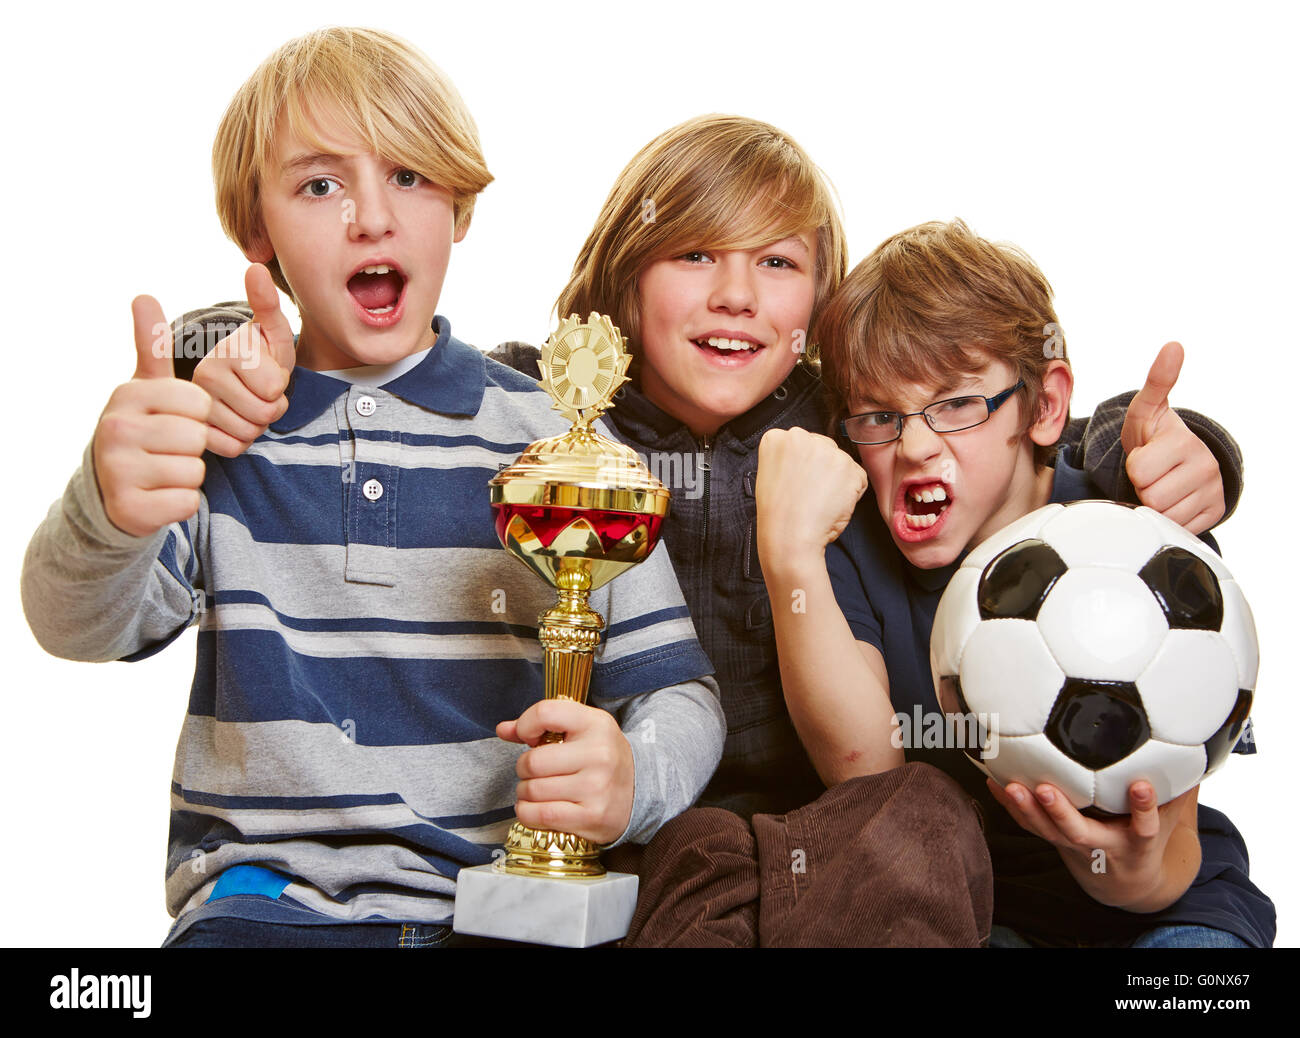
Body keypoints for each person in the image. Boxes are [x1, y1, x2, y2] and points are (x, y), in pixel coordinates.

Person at [189, 115, 1245, 945]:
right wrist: (226, 350)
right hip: (658, 846)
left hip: (839, 846)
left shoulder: (846, 422)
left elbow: (990, 428)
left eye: (778, 265)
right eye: (694, 254)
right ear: (623, 279)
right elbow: (412, 372)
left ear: (817, 316)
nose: (736, 295)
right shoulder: (549, 416)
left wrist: (1170, 450)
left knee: (911, 823)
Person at [20, 27, 724, 949]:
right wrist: (107, 510)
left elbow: (681, 694)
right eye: (320, 184)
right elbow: (73, 625)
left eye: (410, 177)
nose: (371, 219)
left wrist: (633, 780)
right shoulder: (214, 425)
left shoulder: (555, 439)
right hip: (259, 907)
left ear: (461, 207)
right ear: (256, 228)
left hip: (501, 910)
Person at [756, 219, 1273, 947]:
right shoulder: (846, 550)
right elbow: (868, 784)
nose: (914, 445)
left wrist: (1122, 868)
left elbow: (1171, 857)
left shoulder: (1137, 535)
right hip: (972, 914)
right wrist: (790, 561)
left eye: (957, 405)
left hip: (1165, 910)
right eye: (878, 416)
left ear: (1046, 404)